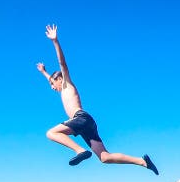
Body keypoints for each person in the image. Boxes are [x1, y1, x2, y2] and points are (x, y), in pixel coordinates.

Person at [36, 24, 159, 174]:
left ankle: (79, 150)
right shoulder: (61, 87)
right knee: (105, 157)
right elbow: (52, 78)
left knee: (51, 133)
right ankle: (142, 162)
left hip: (80, 118)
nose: (52, 87)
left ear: (60, 79)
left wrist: (55, 41)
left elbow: (63, 64)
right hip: (87, 124)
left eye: (52, 83)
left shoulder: (67, 83)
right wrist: (44, 72)